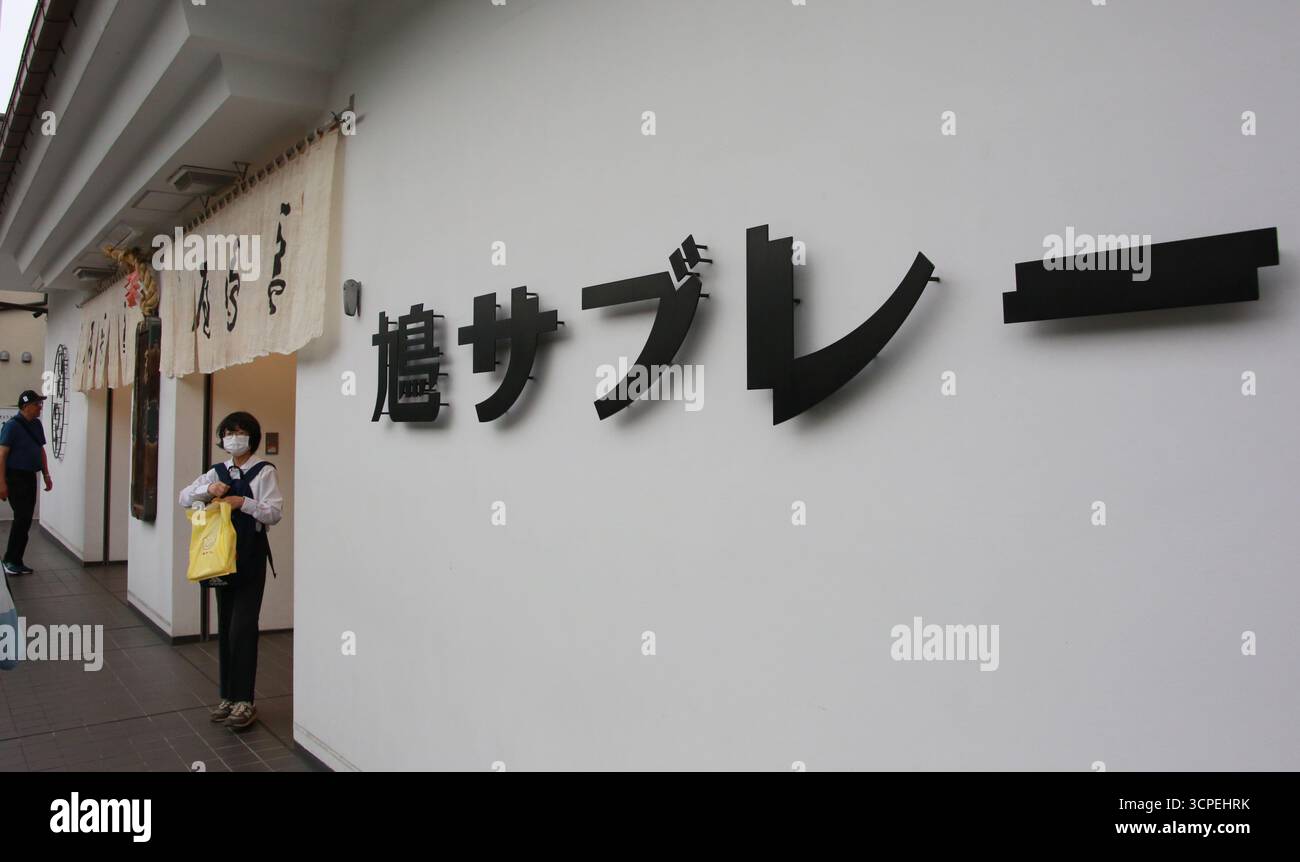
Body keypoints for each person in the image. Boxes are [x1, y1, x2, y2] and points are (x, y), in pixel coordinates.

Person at [178, 411, 282, 731]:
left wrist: (243, 503)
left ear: (251, 436)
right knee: (225, 624)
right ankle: (227, 696)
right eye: (227, 432)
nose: (232, 437)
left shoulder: (264, 471)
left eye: (238, 432)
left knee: (244, 627)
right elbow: (184, 497)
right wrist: (209, 491)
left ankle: (244, 701)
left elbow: (274, 512)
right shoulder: (216, 471)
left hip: (250, 557)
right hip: (219, 559)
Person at [0, 390, 53, 576]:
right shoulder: (12, 427)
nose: (40, 407)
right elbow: (2, 455)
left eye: (40, 404)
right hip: (14, 477)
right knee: (21, 518)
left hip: (30, 475)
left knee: (26, 519)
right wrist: (2, 483)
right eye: (37, 404)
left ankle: (16, 560)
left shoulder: (37, 425)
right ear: (25, 406)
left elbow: (41, 450)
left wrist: (46, 474)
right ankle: (9, 560)